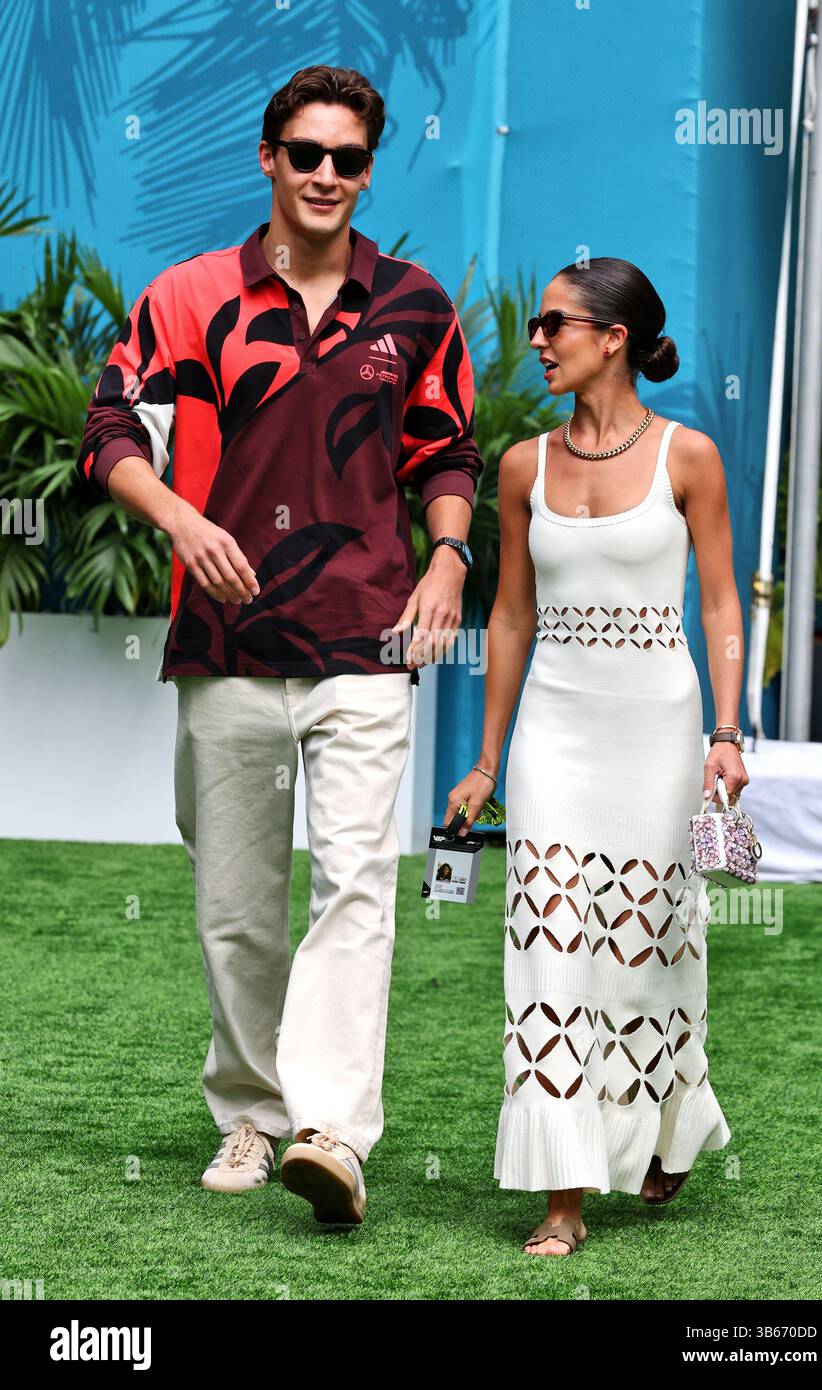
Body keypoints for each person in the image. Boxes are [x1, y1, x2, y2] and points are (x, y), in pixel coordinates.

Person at [76, 64, 482, 1224]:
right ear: (268, 158)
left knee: (357, 884)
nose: (324, 175)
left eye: (347, 159)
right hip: (227, 643)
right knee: (239, 905)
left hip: (369, 633)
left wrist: (450, 556)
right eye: (305, 153)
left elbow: (445, 451)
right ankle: (251, 1115)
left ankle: (333, 1132)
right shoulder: (189, 295)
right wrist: (184, 520)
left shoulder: (414, 305)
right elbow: (109, 429)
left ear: (367, 169)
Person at [446, 257, 746, 1256]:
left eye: (556, 324)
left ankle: (672, 1121)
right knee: (549, 943)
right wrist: (486, 759)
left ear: (614, 336)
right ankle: (565, 1193)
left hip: (658, 731)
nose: (537, 339)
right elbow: (509, 617)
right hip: (555, 736)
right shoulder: (523, 466)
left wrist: (728, 735)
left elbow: (718, 605)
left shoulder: (688, 457)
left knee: (655, 942)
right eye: (537, 326)